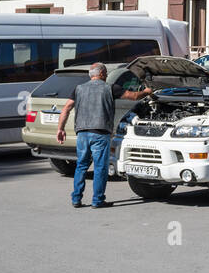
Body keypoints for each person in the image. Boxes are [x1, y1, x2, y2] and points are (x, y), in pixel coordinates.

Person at [56, 63, 151, 209]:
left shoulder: (79, 89)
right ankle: (97, 200)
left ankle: (76, 199)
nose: (106, 75)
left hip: (82, 133)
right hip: (100, 133)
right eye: (105, 73)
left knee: (81, 166)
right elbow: (133, 96)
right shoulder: (111, 88)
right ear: (101, 74)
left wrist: (60, 129)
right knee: (100, 167)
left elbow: (67, 108)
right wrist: (146, 91)